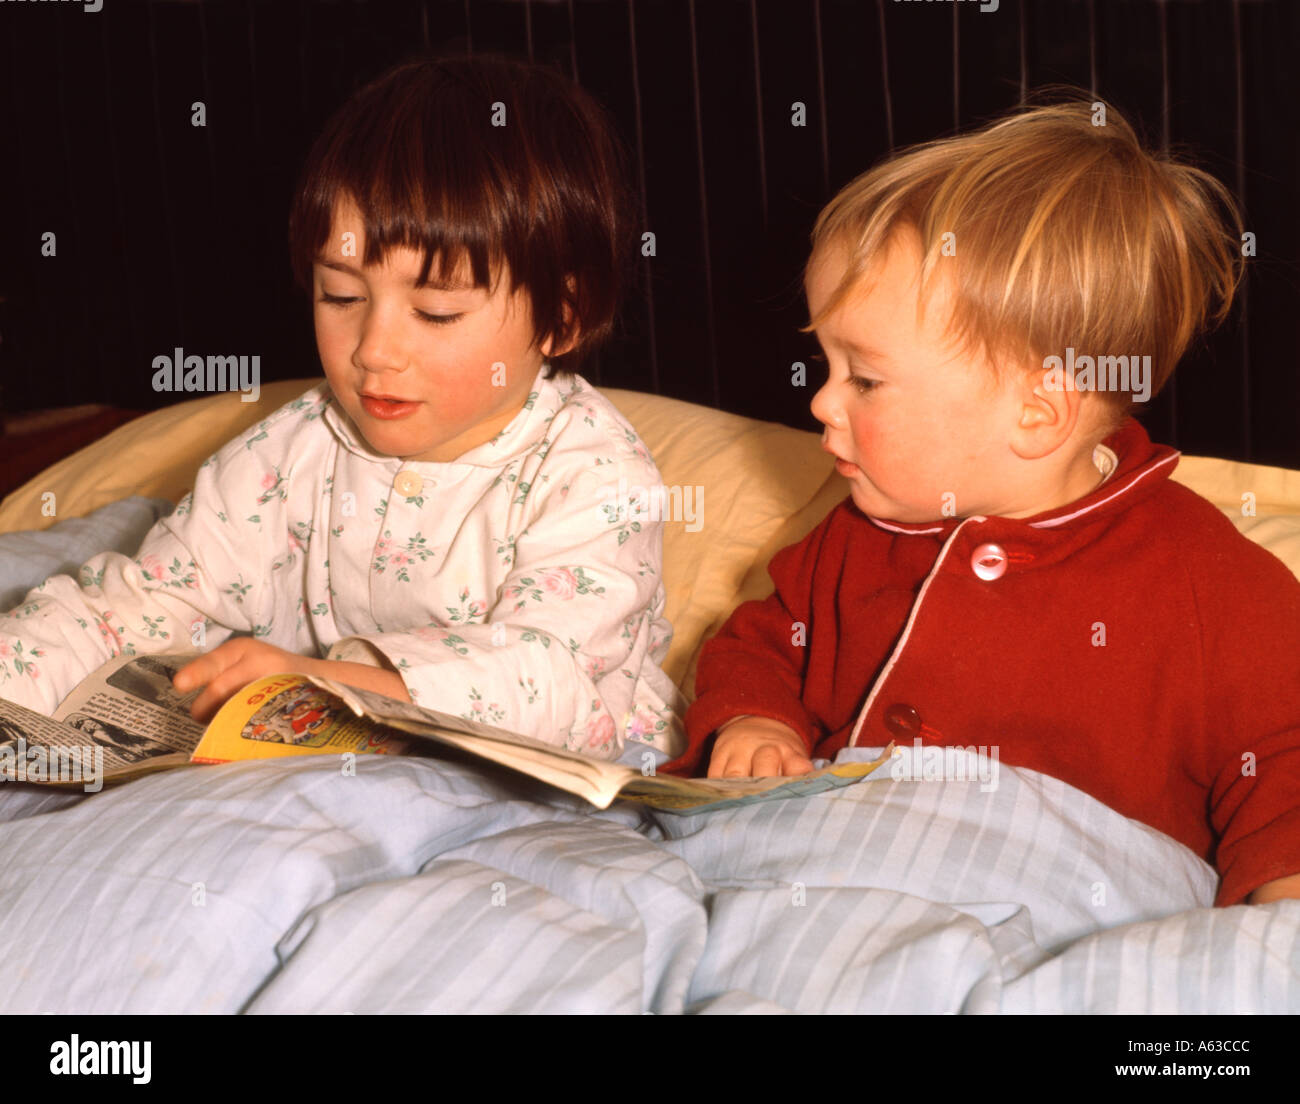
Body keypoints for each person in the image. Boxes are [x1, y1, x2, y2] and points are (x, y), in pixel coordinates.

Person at [661, 94, 1300, 908]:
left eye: (864, 378)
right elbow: (760, 643)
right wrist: (754, 720)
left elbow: (1286, 765)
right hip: (816, 872)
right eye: (825, 365)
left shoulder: (1218, 585)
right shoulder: (859, 531)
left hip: (1060, 902)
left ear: (1037, 414)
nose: (821, 403)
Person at [0, 54, 686, 763]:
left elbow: (555, 683)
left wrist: (332, 682)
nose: (374, 351)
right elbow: (136, 607)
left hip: (555, 771)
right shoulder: (292, 449)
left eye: (435, 310)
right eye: (342, 297)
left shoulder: (597, 476)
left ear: (562, 319)